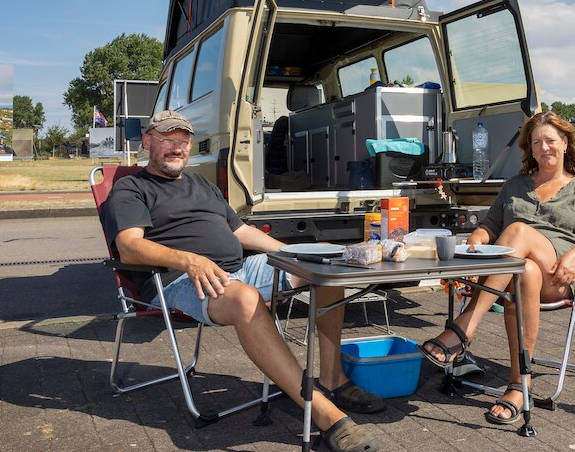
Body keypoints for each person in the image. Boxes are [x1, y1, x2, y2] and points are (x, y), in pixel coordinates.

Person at [102, 110, 381, 452]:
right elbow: (129, 248)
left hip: (240, 268)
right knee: (245, 298)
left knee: (325, 265)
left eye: (183, 141)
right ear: (147, 141)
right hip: (177, 280)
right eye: (167, 140)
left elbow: (241, 230)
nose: (176, 148)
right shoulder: (131, 188)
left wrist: (298, 254)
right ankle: (325, 416)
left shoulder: (200, 184)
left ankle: (332, 378)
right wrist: (189, 260)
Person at [418, 111, 575, 426]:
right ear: (531, 150)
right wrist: (475, 244)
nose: (544, 147)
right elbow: (487, 228)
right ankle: (520, 385)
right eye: (537, 142)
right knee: (526, 272)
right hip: (517, 275)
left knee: (519, 232)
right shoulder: (514, 185)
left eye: (550, 140)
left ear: (564, 143)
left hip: (559, 272)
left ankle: (464, 328)